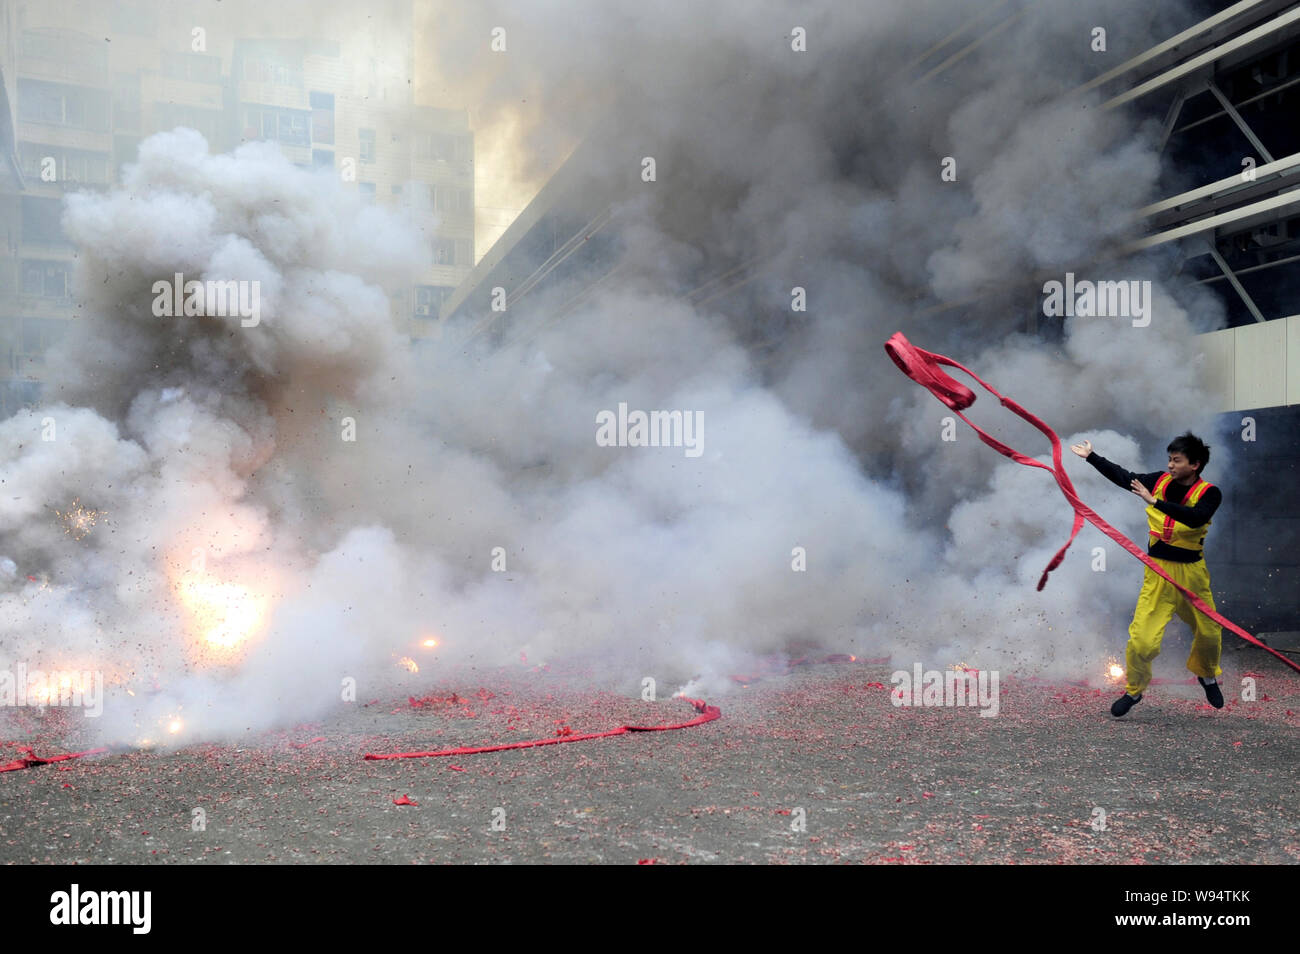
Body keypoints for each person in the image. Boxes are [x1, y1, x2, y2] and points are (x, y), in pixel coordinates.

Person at [1069, 433, 1225, 717]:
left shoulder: (1210, 493)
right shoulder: (1157, 481)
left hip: (1192, 575)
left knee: (1210, 634)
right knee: (1141, 640)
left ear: (1195, 465)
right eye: (1169, 459)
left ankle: (1207, 676)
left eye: (1177, 461)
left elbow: (1195, 518)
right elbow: (1123, 476)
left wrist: (1154, 503)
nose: (1170, 465)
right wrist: (1092, 457)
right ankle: (1134, 691)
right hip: (1158, 573)